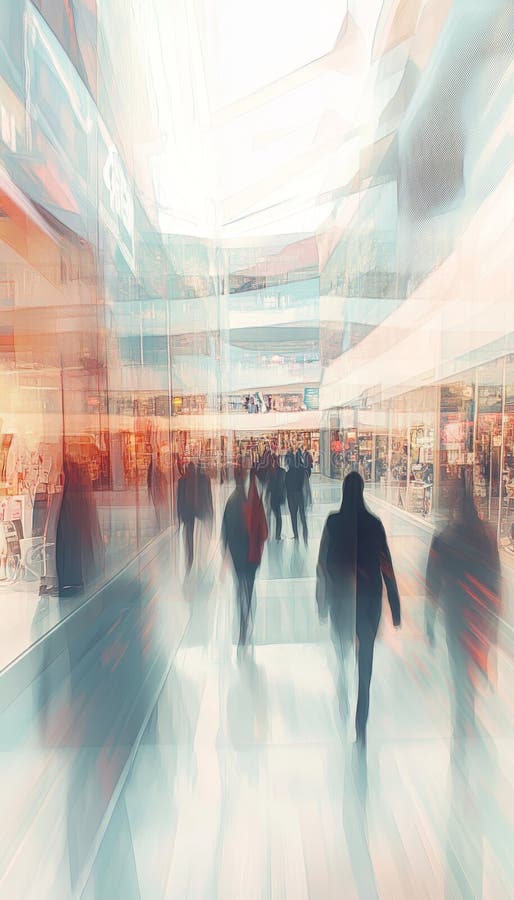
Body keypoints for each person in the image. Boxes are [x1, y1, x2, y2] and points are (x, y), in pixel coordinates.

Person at [317, 471, 401, 745]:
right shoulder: (374, 525)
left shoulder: (333, 523)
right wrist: (395, 606)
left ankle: (342, 680)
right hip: (368, 603)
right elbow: (386, 566)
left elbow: (322, 565)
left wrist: (322, 601)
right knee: (365, 662)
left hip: (342, 599)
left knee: (342, 646)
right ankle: (360, 723)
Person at [425, 477, 501, 739]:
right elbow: (495, 578)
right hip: (480, 614)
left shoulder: (444, 538)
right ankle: (469, 711)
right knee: (473, 661)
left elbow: (433, 583)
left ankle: (462, 716)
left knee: (458, 665)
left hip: (455, 614)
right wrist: (495, 619)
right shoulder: (488, 536)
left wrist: (429, 622)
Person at [222, 468, 268, 651]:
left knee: (240, 586)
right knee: (249, 587)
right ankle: (246, 618)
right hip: (252, 554)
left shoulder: (231, 502)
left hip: (237, 554)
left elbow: (225, 532)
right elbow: (264, 531)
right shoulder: (254, 501)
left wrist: (226, 553)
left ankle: (243, 619)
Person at [177, 462, 198, 574]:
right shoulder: (191, 481)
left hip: (187, 513)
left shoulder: (182, 481)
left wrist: (179, 514)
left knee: (188, 535)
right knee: (189, 534)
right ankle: (190, 556)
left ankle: (190, 556)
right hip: (190, 513)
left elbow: (179, 500)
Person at [285, 452, 308, 543]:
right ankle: (304, 532)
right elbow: (302, 482)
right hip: (299, 494)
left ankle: (296, 535)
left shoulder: (288, 473)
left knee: (293, 516)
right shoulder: (300, 471)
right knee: (302, 515)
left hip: (291, 495)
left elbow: (286, 485)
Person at [267, 454, 286, 540]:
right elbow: (283, 485)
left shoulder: (271, 472)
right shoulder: (281, 471)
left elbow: (269, 485)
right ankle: (277, 535)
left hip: (273, 497)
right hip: (277, 497)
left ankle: (274, 534)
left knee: (275, 516)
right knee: (278, 517)